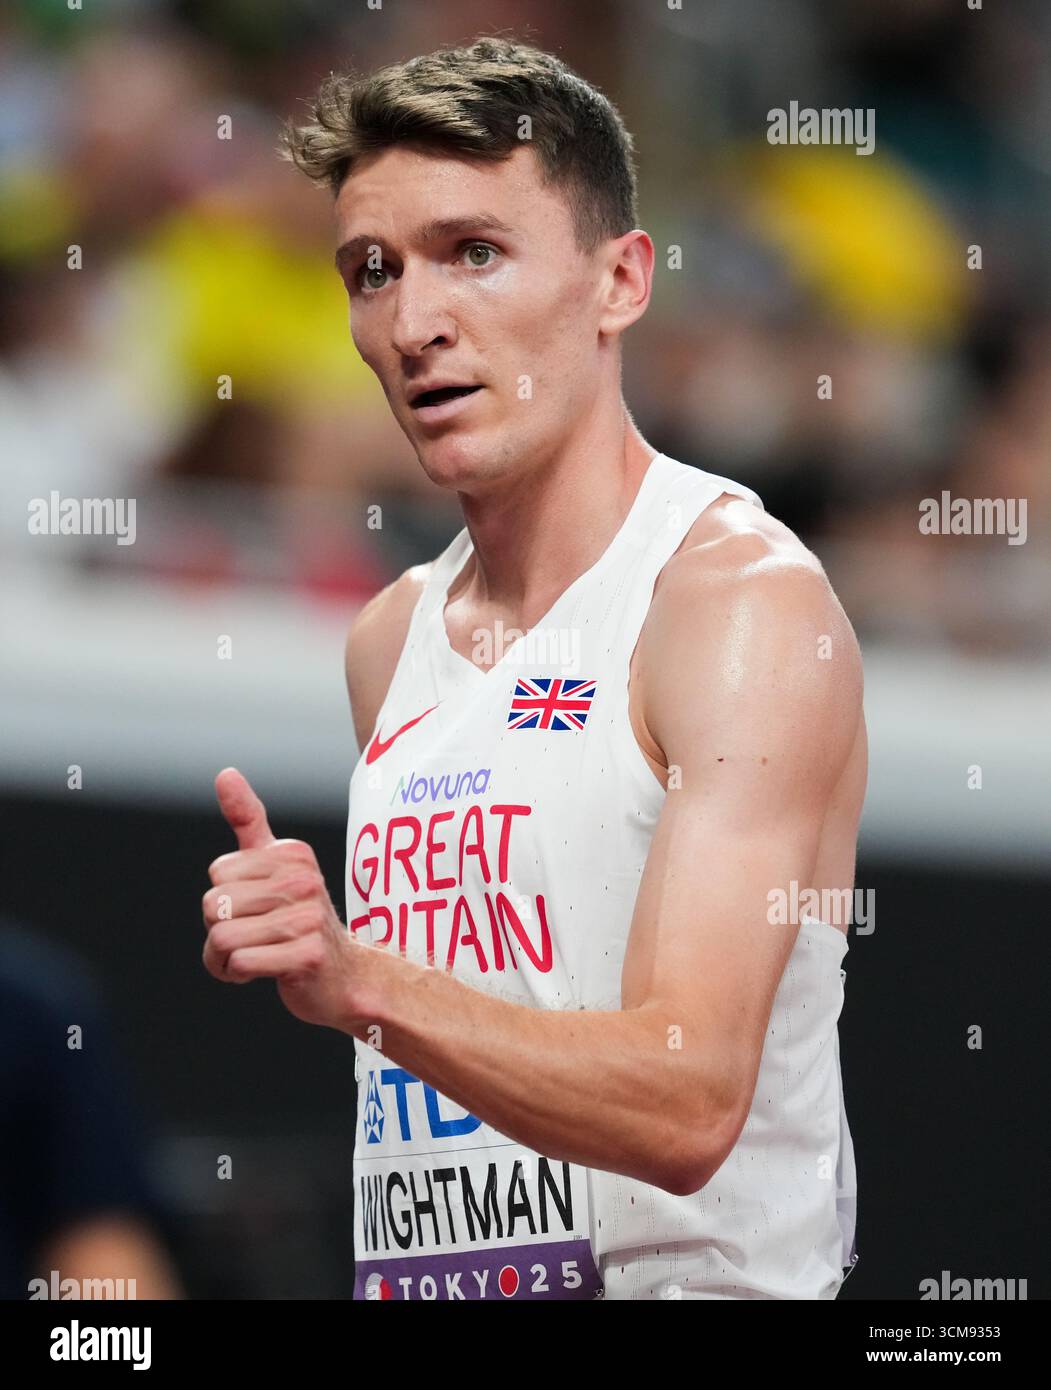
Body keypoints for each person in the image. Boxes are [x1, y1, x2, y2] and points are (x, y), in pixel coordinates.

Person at [202, 37, 865, 1299]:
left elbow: (684, 1102)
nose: (413, 320)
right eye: (371, 271)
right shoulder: (389, 639)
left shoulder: (734, 602)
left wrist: (357, 980)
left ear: (620, 281)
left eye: (476, 253)